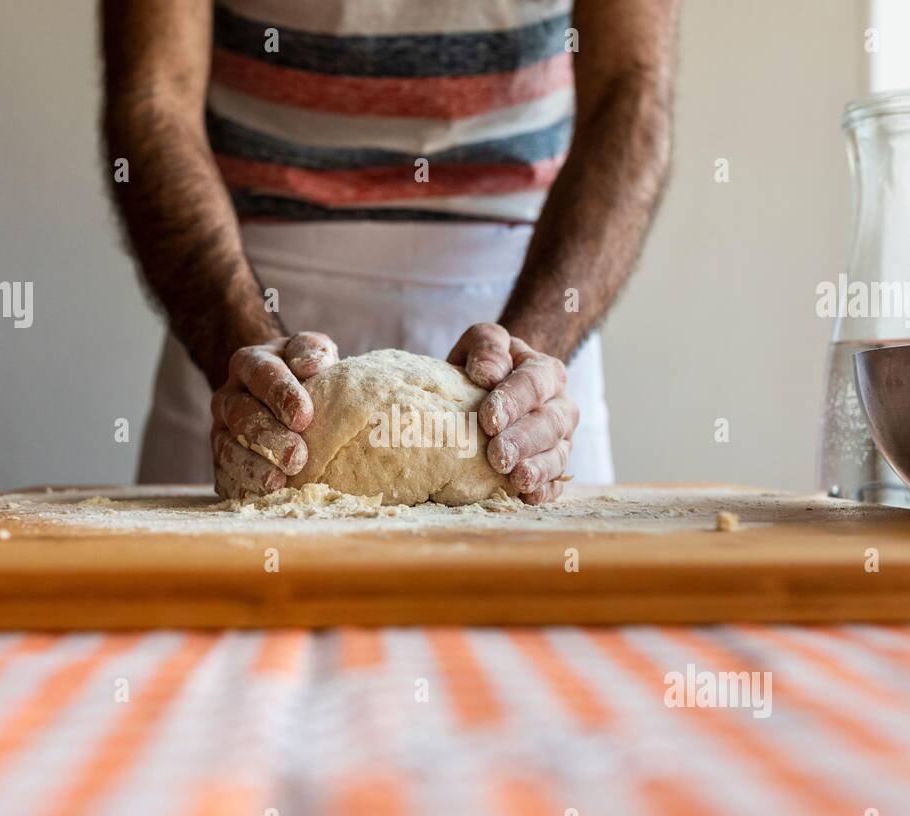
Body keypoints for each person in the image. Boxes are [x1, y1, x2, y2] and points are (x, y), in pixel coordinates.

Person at [101, 0, 675, 502]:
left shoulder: (528, 365)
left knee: (525, 620)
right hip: (241, 307)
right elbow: (155, 96)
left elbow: (631, 90)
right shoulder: (240, 352)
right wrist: (242, 360)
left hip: (524, 299)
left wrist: (527, 381)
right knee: (222, 618)